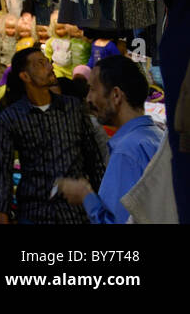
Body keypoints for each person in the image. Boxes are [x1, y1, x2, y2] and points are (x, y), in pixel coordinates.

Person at [0, 48, 106, 224]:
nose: (49, 66)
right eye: (40, 63)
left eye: (47, 61)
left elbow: (94, 161)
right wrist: (2, 217)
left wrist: (103, 208)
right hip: (34, 212)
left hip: (75, 214)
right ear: (25, 76)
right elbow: (3, 172)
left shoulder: (73, 108)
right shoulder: (11, 118)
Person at [57, 55, 163, 224]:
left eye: (92, 89)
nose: (88, 98)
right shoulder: (156, 136)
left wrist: (85, 196)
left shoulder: (127, 151)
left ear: (115, 95)